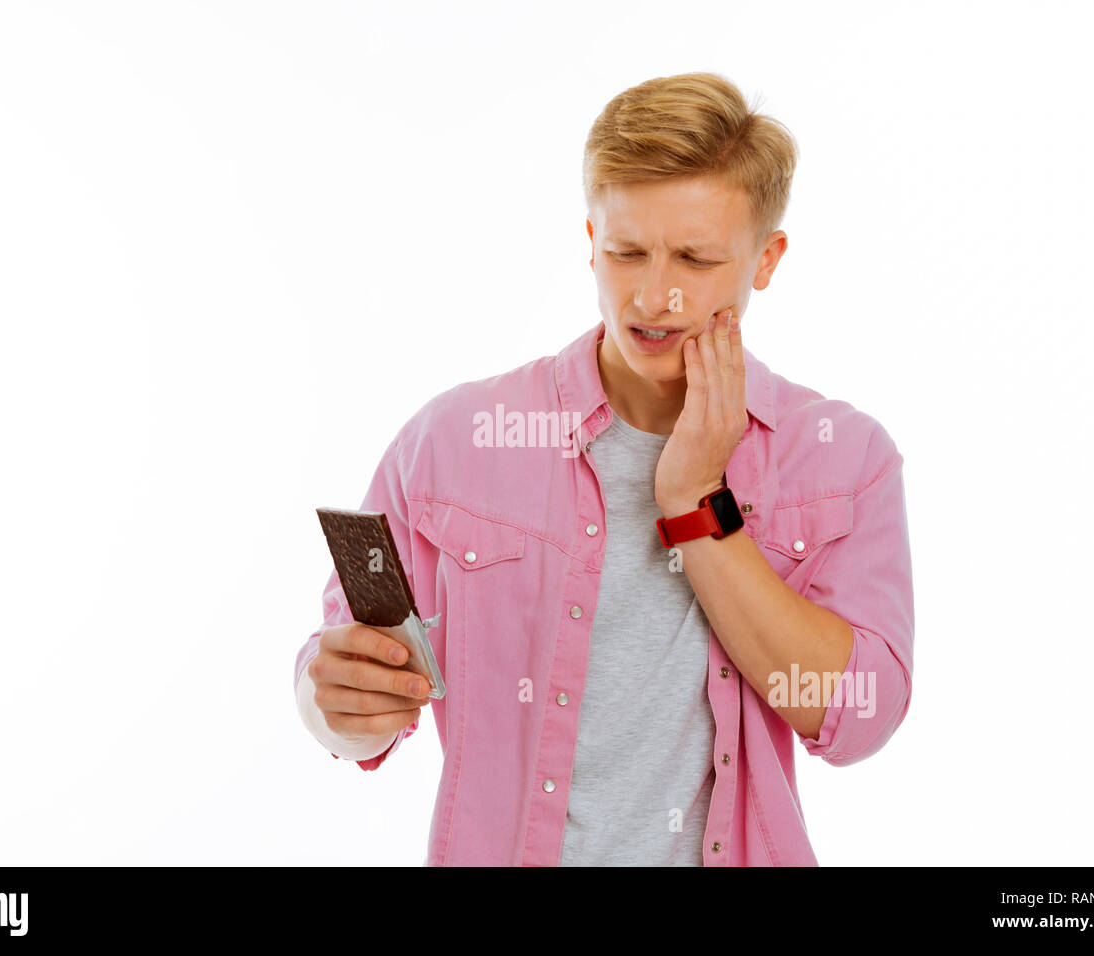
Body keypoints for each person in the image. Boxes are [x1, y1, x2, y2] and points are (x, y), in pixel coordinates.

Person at [294, 72, 914, 866]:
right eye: (627, 253)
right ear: (591, 239)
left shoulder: (841, 457)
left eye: (694, 258)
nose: (654, 297)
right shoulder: (455, 440)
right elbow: (340, 679)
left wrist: (697, 502)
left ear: (766, 259)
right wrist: (333, 701)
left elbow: (859, 717)